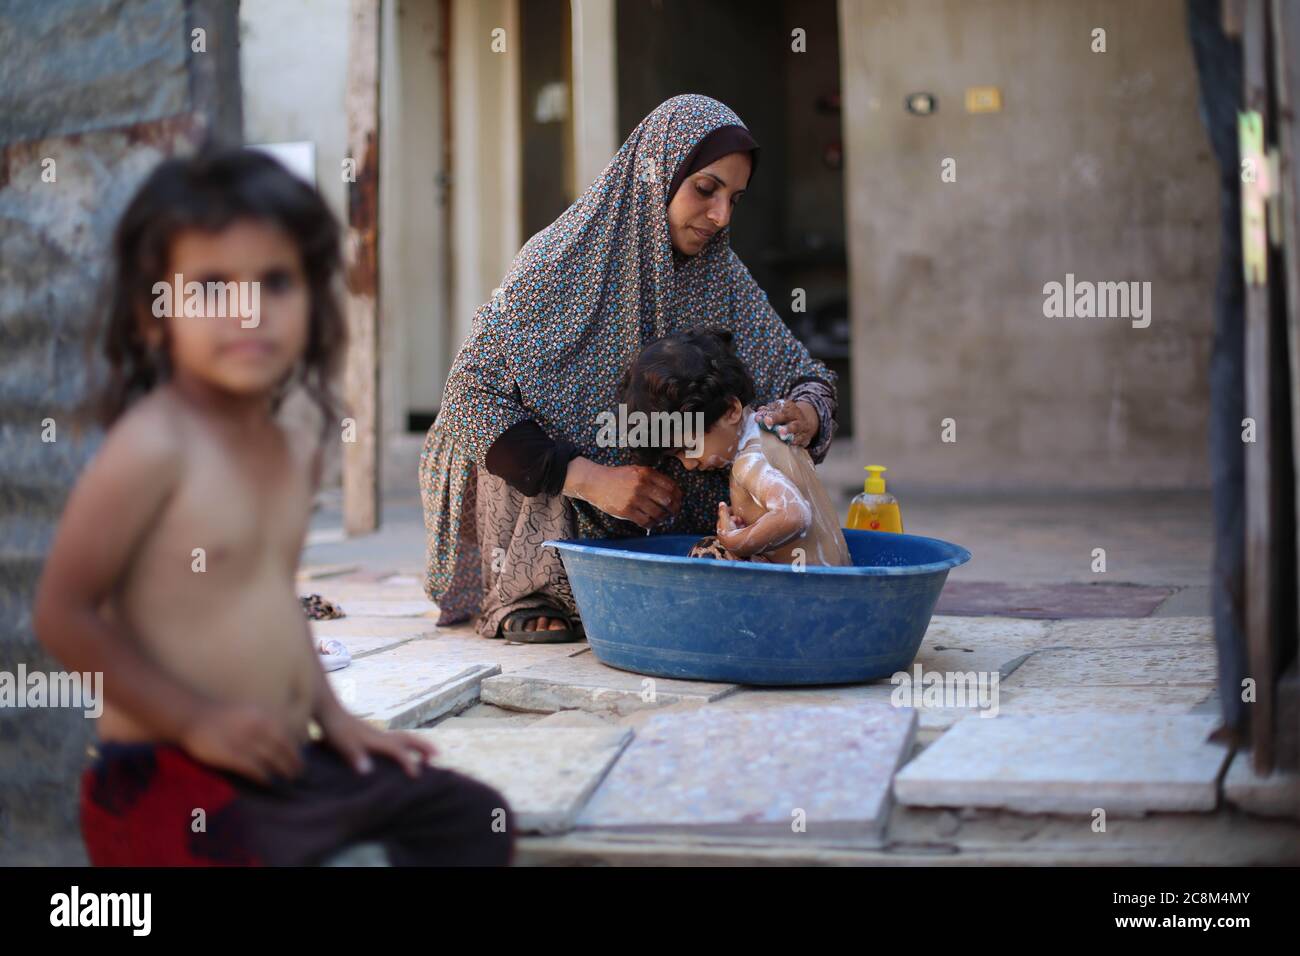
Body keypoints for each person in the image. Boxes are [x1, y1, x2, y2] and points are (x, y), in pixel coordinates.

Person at [33, 149, 513, 866]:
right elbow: (62, 615)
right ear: (154, 313)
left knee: (472, 820)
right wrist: (196, 722)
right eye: (212, 286)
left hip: (279, 760)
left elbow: (271, 601)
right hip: (170, 775)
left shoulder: (288, 448)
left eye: (276, 281)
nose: (248, 310)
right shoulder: (152, 447)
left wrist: (336, 719)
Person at [421, 94, 840, 641]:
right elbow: (467, 399)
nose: (720, 217)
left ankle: (682, 562)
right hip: (564, 488)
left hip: (660, 505)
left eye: (735, 199)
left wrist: (806, 411)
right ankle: (535, 590)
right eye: (706, 190)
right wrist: (590, 479)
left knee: (736, 429)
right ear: (655, 176)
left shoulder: (720, 277)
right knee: (508, 415)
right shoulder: (558, 263)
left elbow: (805, 375)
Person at [618, 327, 850, 566]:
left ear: (731, 410)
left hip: (803, 586)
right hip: (835, 571)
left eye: (689, 447)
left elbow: (795, 515)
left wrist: (735, 541)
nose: (688, 464)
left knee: (706, 551)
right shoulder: (775, 431)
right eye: (677, 456)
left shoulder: (748, 462)